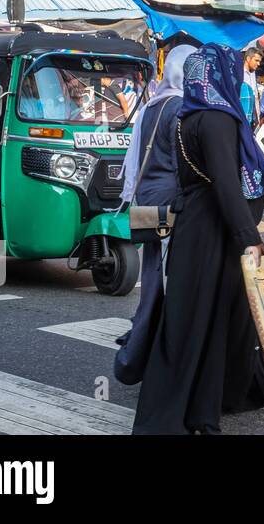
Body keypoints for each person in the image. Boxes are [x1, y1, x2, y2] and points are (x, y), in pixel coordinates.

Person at [133, 44, 264, 435]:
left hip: (200, 229)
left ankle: (203, 410)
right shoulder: (217, 119)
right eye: (233, 70)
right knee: (194, 323)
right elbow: (226, 186)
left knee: (210, 321)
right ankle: (170, 419)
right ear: (221, 76)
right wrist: (250, 238)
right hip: (212, 233)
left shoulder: (190, 115)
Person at [114, 43, 196, 385]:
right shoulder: (180, 108)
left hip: (149, 202)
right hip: (173, 203)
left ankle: (143, 339)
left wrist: (130, 195)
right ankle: (149, 348)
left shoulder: (151, 105)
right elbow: (184, 165)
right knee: (171, 278)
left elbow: (134, 156)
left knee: (153, 276)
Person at [239, 48, 263, 125]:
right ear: (248, 59)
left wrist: (258, 117)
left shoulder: (253, 72)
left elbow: (255, 95)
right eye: (256, 60)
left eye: (259, 61)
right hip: (242, 115)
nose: (259, 64)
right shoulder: (239, 73)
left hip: (253, 116)